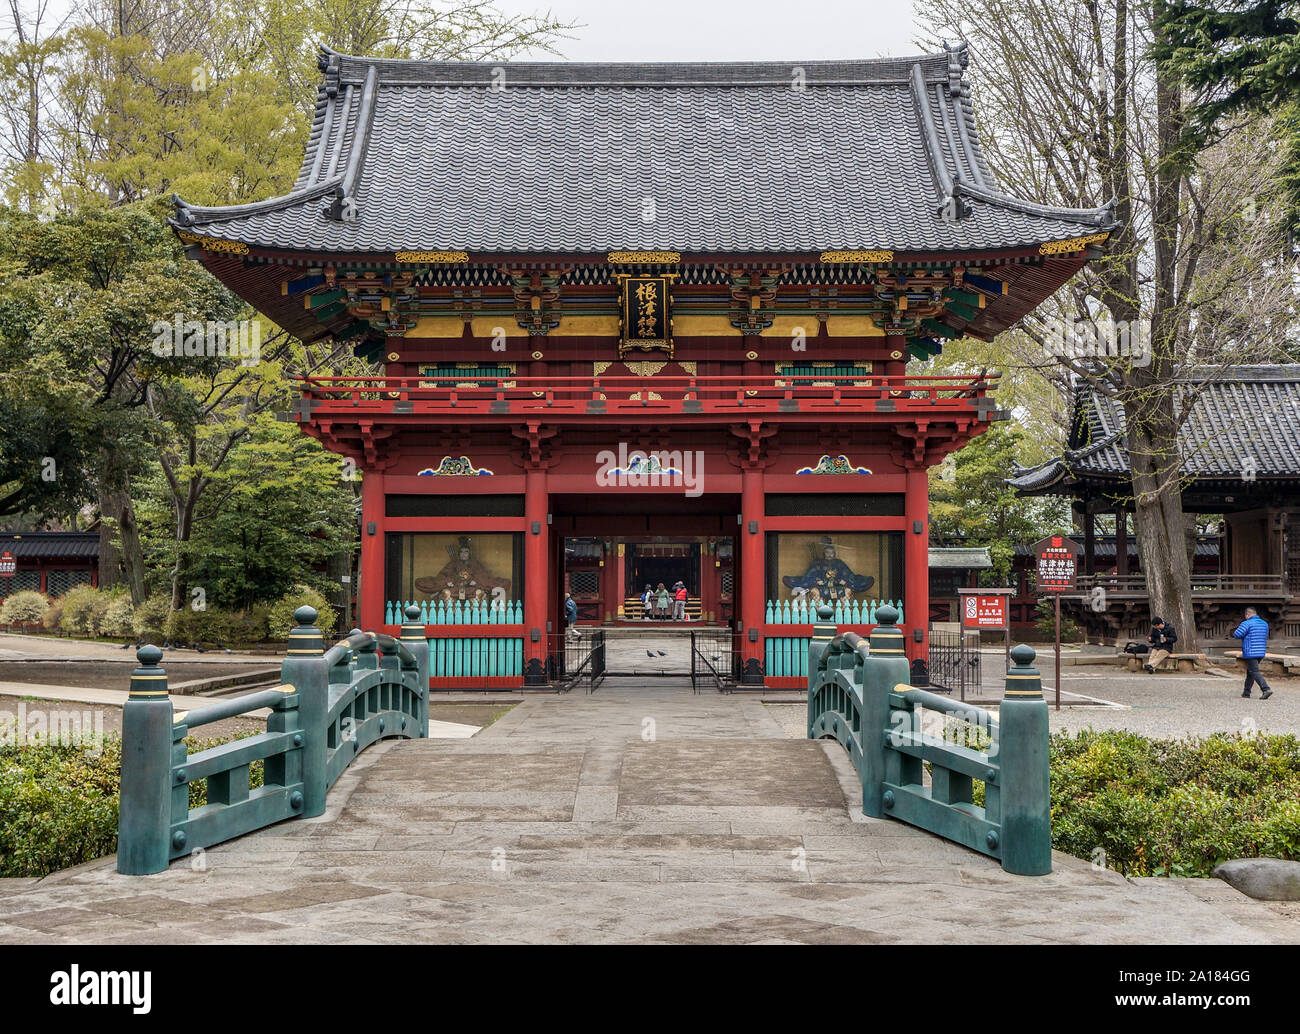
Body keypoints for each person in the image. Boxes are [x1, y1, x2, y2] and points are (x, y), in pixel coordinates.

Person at [1233, 606, 1273, 699]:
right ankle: (1246, 692)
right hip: (1261, 651)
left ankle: (1266, 689)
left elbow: (1237, 634)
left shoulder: (1246, 623)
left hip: (1250, 651)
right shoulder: (1264, 624)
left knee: (1254, 671)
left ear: (1247, 614)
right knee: (1250, 671)